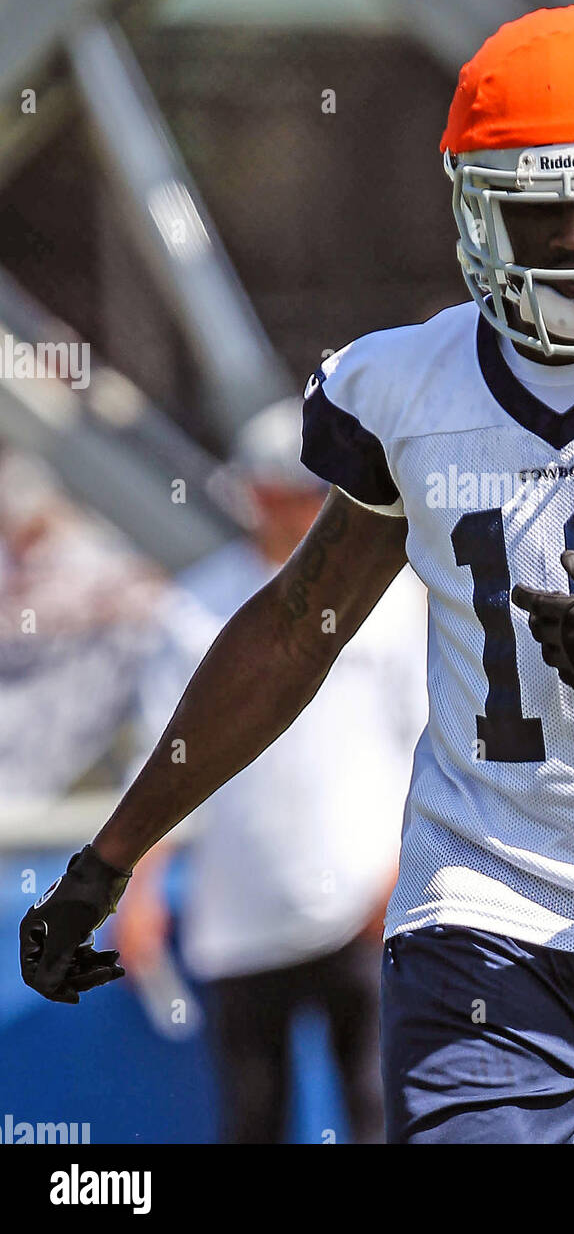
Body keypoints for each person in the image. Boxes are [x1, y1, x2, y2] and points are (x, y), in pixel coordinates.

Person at [21, 7, 574, 1146]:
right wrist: (110, 854)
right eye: (545, 209)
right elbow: (297, 628)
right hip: (481, 907)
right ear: (479, 208)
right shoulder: (407, 386)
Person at [115, 398, 427, 1143]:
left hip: (367, 908)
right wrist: (137, 886)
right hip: (241, 914)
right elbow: (162, 760)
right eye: (301, 489)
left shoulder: (393, 595)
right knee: (252, 1120)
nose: (319, 507)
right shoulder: (193, 608)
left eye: (329, 489)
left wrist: (405, 871)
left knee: (382, 1112)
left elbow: (432, 739)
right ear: (256, 492)